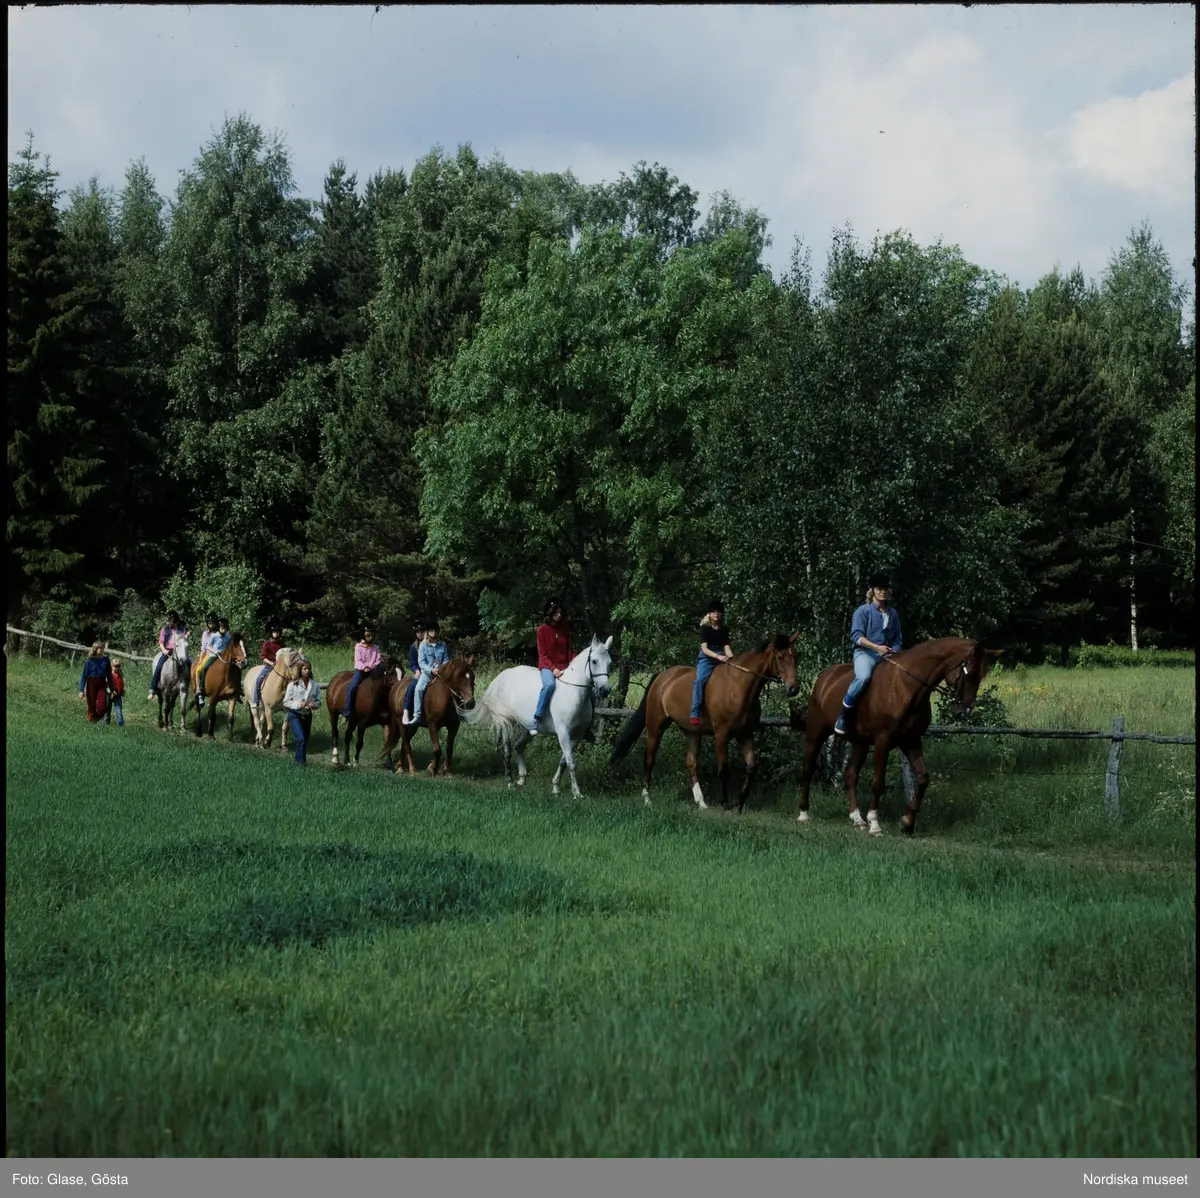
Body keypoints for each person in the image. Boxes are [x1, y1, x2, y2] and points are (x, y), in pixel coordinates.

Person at [833, 573, 903, 736]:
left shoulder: (893, 614)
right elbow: (857, 637)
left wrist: (895, 652)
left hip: (888, 655)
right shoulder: (862, 611)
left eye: (885, 589)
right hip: (866, 653)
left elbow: (898, 639)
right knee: (863, 676)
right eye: (879, 589)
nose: (882, 592)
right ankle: (843, 715)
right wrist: (877, 648)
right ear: (872, 591)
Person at [529, 597, 572, 736]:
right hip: (548, 666)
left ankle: (585, 725)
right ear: (549, 612)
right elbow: (543, 654)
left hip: (565, 666)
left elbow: (570, 650)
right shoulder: (542, 630)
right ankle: (536, 718)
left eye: (560, 612)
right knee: (549, 685)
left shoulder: (565, 628)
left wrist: (576, 664)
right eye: (556, 612)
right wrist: (553, 669)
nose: (559, 614)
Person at [690, 600, 734, 727]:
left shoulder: (724, 630)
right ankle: (695, 713)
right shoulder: (705, 629)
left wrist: (733, 659)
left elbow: (726, 647)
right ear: (709, 614)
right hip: (707, 657)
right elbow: (704, 648)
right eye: (714, 612)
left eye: (719, 612)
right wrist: (718, 657)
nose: (716, 614)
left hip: (721, 655)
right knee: (699, 681)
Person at [406, 618, 449, 728]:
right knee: (418, 688)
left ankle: (458, 713)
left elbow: (446, 659)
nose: (433, 633)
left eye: (435, 630)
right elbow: (421, 662)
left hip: (441, 672)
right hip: (427, 673)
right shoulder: (423, 645)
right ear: (428, 632)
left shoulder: (443, 644)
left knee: (453, 685)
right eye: (431, 630)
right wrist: (430, 670)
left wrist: (441, 668)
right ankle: (416, 715)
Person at [283, 658, 322, 765]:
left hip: (307, 715)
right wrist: (298, 704)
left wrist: (314, 705)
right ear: (300, 670)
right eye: (304, 669)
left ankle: (299, 759)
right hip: (295, 715)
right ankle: (301, 765)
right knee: (300, 738)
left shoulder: (314, 685)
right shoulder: (292, 685)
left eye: (309, 669)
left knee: (305, 740)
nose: (307, 671)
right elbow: (286, 702)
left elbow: (319, 701)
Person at [342, 623, 381, 719]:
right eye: (368, 635)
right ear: (363, 635)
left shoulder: (376, 648)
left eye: (372, 635)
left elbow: (378, 660)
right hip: (361, 671)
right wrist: (364, 667)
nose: (370, 637)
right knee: (352, 687)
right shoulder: (358, 647)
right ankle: (347, 711)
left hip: (372, 671)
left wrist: (371, 667)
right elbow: (358, 660)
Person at [148, 610, 186, 701]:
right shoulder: (165, 629)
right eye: (168, 620)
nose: (169, 622)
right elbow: (161, 642)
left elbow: (184, 639)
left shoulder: (181, 629)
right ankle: (153, 689)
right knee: (158, 667)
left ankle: (189, 686)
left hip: (178, 651)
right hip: (168, 651)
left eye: (171, 620)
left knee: (188, 664)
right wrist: (164, 650)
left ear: (175, 620)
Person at [196, 616, 230, 709]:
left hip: (224, 657)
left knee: (234, 667)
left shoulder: (227, 636)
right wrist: (215, 651)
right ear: (219, 627)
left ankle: (236, 689)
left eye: (225, 627)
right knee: (204, 668)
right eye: (222, 627)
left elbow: (229, 644)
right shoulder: (214, 636)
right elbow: (207, 646)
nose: (224, 629)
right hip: (213, 655)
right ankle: (201, 691)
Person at [78, 642, 115, 724]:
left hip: (102, 683)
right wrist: (81, 690)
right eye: (98, 648)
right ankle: (91, 721)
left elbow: (109, 675)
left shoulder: (106, 660)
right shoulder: (90, 660)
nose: (100, 649)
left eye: (102, 647)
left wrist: (112, 689)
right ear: (95, 648)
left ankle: (96, 719)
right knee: (92, 705)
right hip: (91, 683)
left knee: (102, 706)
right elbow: (84, 675)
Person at [253, 621, 284, 710]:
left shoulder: (282, 644)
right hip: (269, 666)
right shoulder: (267, 644)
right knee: (259, 680)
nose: (276, 633)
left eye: (277, 632)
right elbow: (263, 657)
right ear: (271, 633)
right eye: (274, 632)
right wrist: (271, 663)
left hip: (280, 667)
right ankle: (256, 700)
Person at [404, 618, 424, 721]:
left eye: (422, 632)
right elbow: (412, 663)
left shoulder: (431, 645)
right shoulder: (413, 647)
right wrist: (417, 670)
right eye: (418, 632)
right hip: (420, 673)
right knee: (412, 687)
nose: (420, 634)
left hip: (432, 671)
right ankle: (407, 710)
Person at [106, 658, 126, 727]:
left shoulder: (120, 675)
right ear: (111, 666)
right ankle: (106, 725)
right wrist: (111, 691)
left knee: (119, 711)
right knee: (107, 711)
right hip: (108, 695)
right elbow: (105, 685)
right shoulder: (109, 675)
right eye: (115, 666)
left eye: (118, 666)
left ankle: (121, 725)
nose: (117, 668)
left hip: (117, 696)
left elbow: (121, 684)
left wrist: (122, 690)